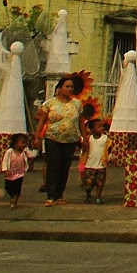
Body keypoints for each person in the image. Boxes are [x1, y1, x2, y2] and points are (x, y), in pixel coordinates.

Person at [33, 75, 86, 206]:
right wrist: (37, 137)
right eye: (67, 86)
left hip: (70, 140)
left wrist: (85, 138)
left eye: (71, 87)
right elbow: (41, 121)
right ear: (60, 88)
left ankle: (59, 194)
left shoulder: (77, 104)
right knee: (53, 166)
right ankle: (51, 195)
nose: (70, 89)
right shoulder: (50, 103)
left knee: (64, 167)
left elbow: (81, 123)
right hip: (53, 138)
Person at [1, 134, 38, 208]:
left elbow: (31, 155)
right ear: (15, 143)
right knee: (8, 187)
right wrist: (5, 170)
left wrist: (36, 149)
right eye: (22, 143)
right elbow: (5, 161)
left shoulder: (25, 151)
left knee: (17, 188)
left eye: (25, 143)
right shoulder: (10, 152)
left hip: (19, 174)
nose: (24, 145)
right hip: (10, 174)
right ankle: (12, 195)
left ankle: (14, 201)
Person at [80, 119, 110, 203]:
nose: (101, 128)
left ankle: (98, 197)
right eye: (98, 127)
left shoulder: (106, 139)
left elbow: (110, 148)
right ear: (92, 129)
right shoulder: (88, 139)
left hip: (101, 165)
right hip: (89, 165)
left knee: (100, 183)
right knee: (88, 183)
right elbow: (83, 148)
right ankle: (88, 195)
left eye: (102, 126)